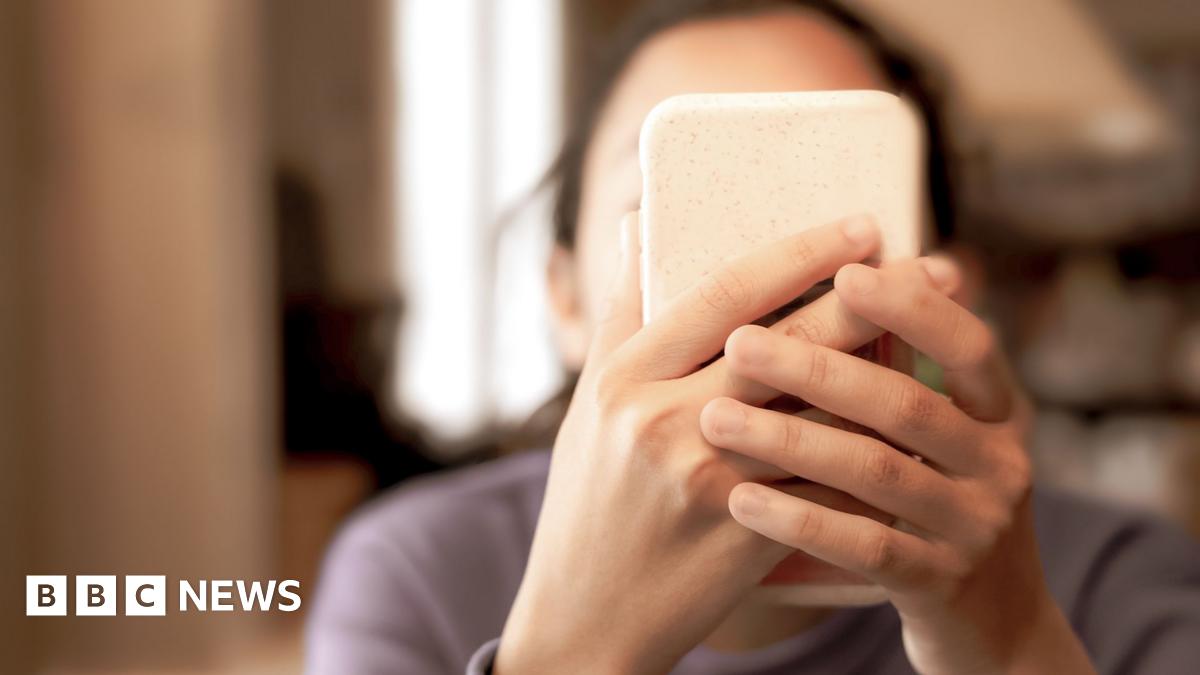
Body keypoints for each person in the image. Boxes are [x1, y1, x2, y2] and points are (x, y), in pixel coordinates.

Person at [306, 1, 1200, 673]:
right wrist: (568, 651)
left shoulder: (1108, 580)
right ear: (565, 299)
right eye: (672, 212)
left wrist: (1008, 640)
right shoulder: (420, 571)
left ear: (947, 283)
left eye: (830, 214)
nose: (764, 291)